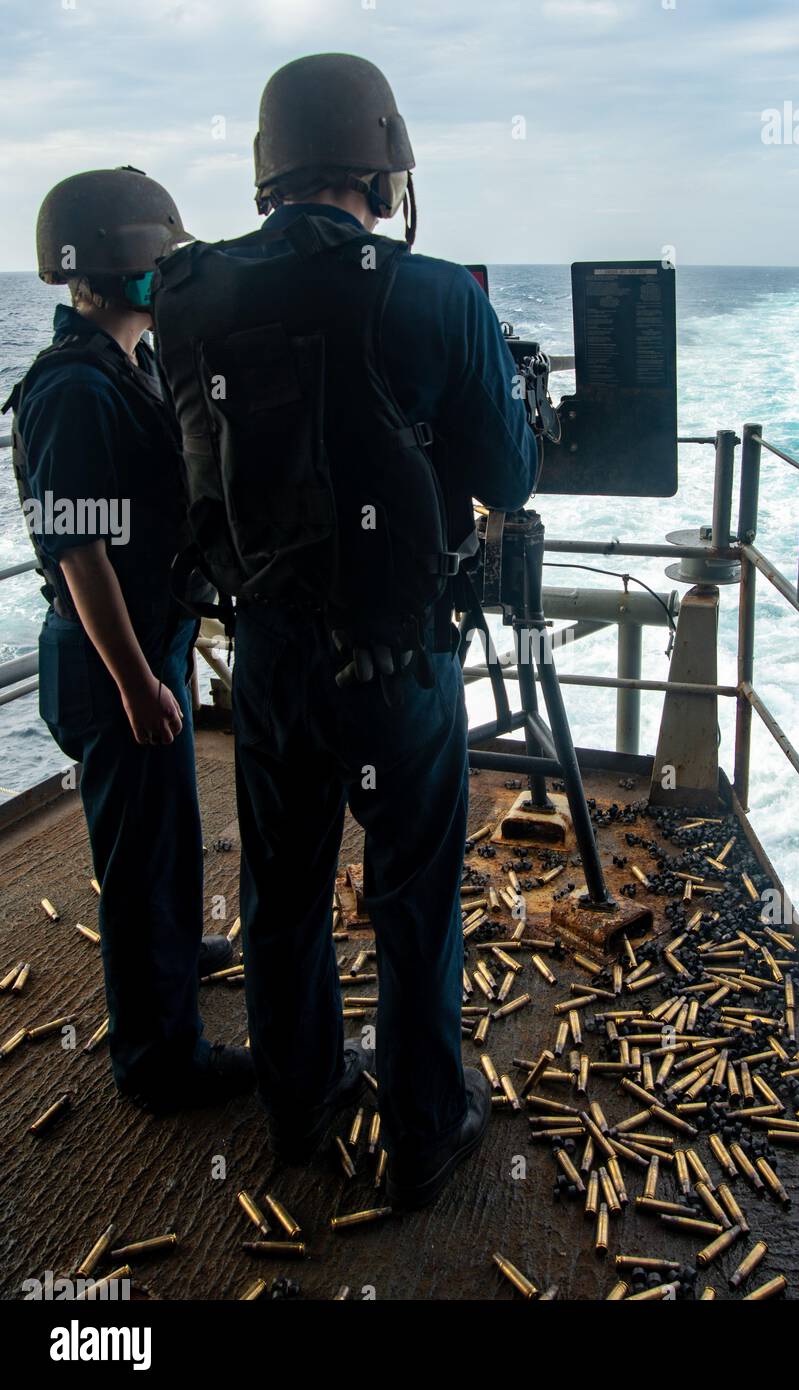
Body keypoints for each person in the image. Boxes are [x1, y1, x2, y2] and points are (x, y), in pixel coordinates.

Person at [152, 54, 538, 1204]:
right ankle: (426, 1126)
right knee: (411, 896)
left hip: (266, 660)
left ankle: (299, 1105)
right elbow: (505, 476)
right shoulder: (432, 297)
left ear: (270, 165)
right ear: (384, 162)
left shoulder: (185, 290)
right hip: (397, 667)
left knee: (280, 894)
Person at [2, 167, 254, 1111]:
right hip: (115, 662)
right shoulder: (71, 390)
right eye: (163, 256)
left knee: (166, 835)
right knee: (142, 859)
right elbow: (80, 554)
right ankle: (158, 1064)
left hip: (148, 648)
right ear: (133, 266)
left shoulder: (129, 366)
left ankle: (176, 959)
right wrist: (140, 679)